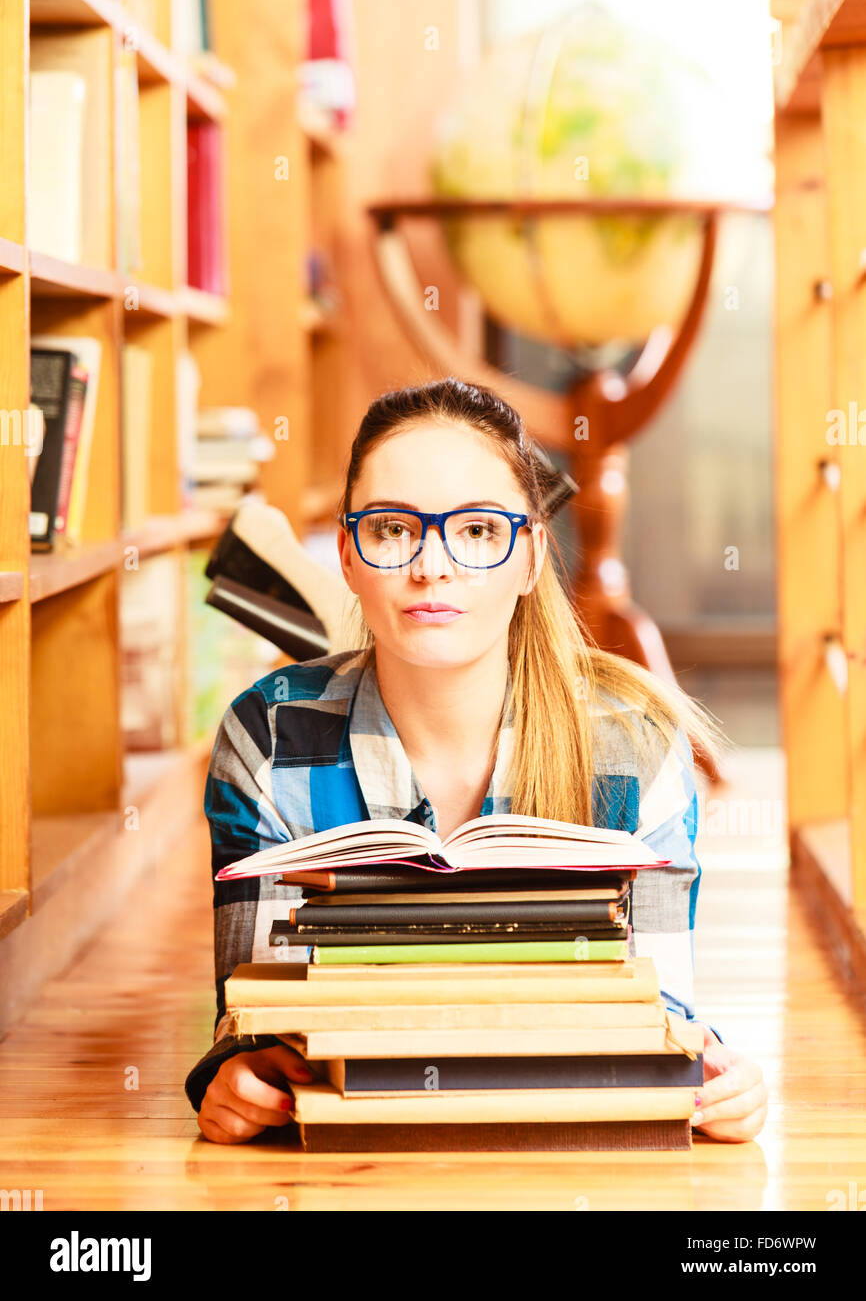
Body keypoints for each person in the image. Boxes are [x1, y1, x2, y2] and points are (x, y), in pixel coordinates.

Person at [186, 376, 768, 1146]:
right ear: (349, 557)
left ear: (530, 557)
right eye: (393, 530)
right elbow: (257, 1021)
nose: (432, 565)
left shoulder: (637, 744)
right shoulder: (264, 740)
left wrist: (721, 1078)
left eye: (478, 531)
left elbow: (660, 1010)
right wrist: (239, 1080)